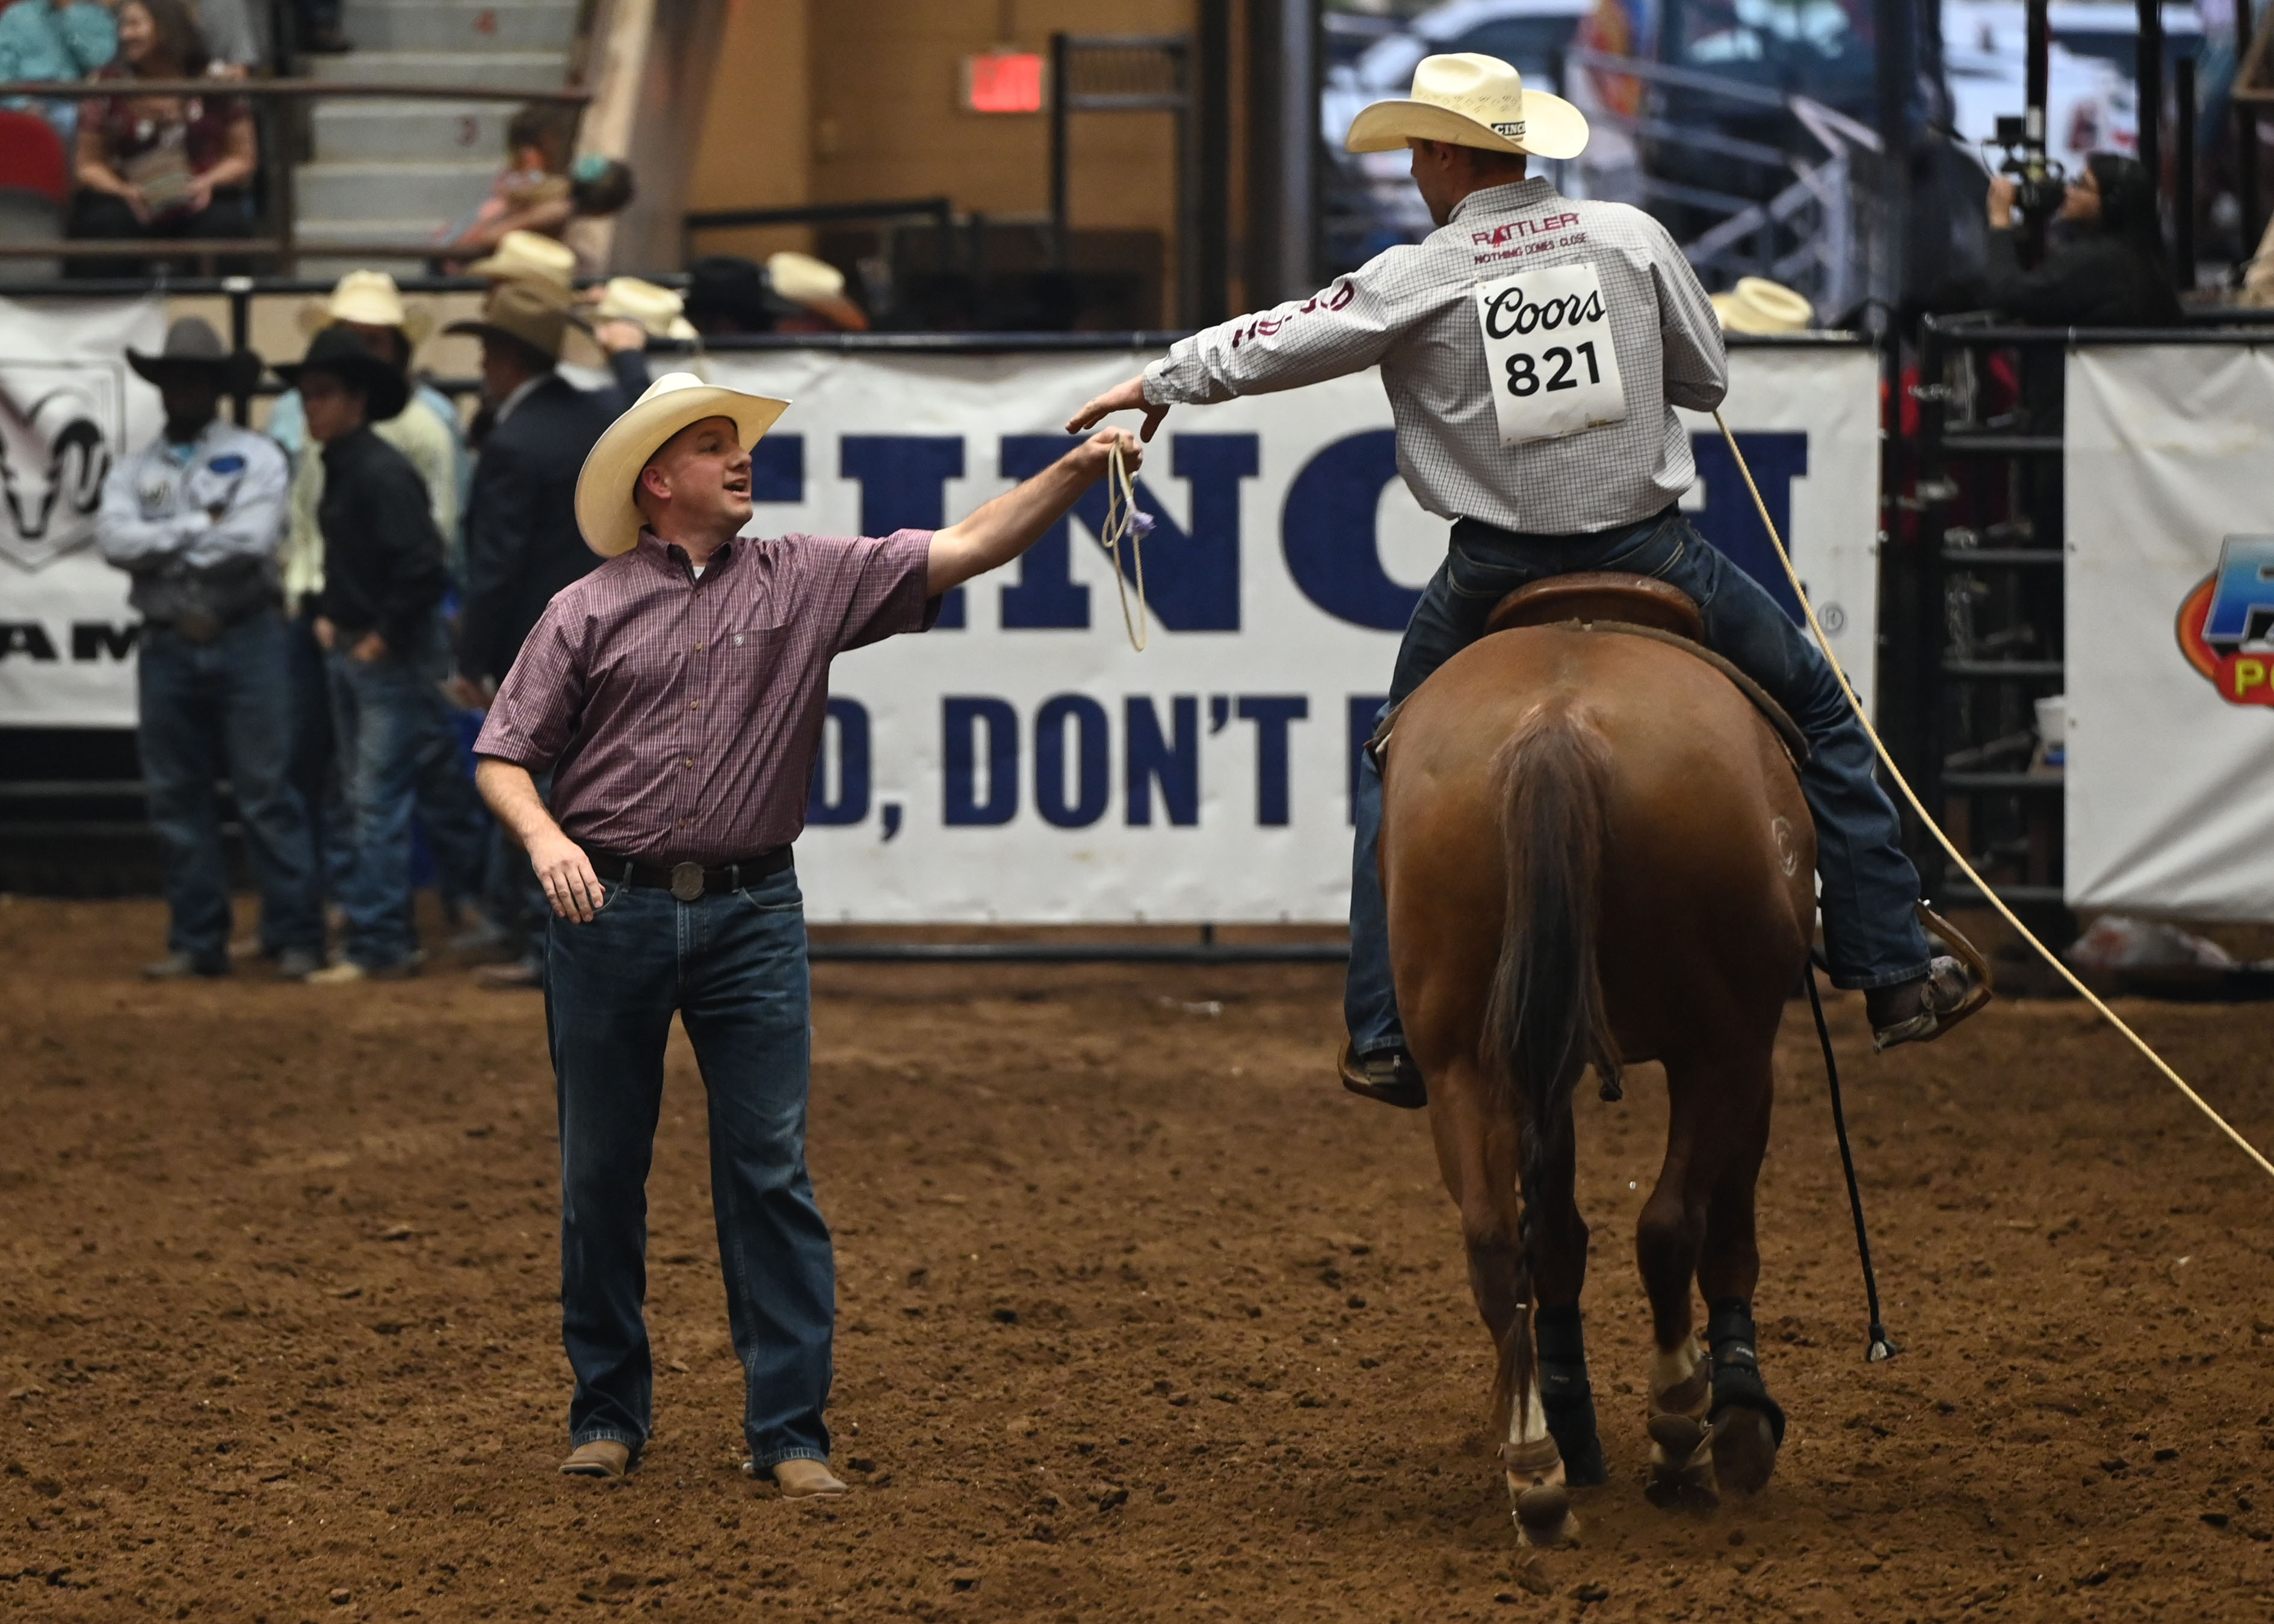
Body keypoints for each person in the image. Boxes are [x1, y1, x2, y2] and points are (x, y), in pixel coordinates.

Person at [1069, 51, 1989, 1111]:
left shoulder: (1415, 274)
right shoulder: (1630, 238)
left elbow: (1273, 341)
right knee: (1820, 712)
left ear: (1449, 154)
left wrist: (1154, 380)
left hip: (1490, 572)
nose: (1415, 168)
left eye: (1419, 148)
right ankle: (1886, 965)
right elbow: (1707, 378)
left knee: (1396, 758)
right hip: (1649, 551)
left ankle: (1382, 1025)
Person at [471, 370, 1142, 1489]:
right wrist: (547, 841)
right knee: (601, 1171)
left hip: (745, 909)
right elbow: (503, 754)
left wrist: (1076, 468)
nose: (740, 459)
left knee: (767, 1168)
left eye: (737, 444)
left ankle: (786, 1428)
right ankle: (609, 1408)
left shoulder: (806, 575)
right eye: (711, 445)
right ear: (658, 480)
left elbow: (968, 544)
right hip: (618, 907)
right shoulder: (582, 607)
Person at [94, 317, 324, 980]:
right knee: (177, 795)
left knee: (266, 791)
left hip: (245, 633)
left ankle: (293, 932)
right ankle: (200, 938)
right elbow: (113, 540)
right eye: (174, 379)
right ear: (162, 387)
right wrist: (201, 525)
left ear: (218, 387)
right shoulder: (133, 468)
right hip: (170, 642)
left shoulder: (256, 455)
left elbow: (250, 542)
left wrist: (159, 538)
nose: (184, 389)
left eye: (196, 378)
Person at [268, 274, 485, 929]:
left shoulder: (404, 441)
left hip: (385, 627)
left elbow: (429, 546)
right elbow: (316, 529)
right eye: (309, 393)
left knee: (387, 782)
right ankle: (380, 909)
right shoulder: (348, 451)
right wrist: (333, 610)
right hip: (352, 617)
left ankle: (392, 921)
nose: (311, 405)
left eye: (323, 393)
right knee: (370, 779)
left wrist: (383, 629)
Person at [64, 0, 256, 276]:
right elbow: (87, 165)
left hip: (199, 194)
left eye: (135, 25)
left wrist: (207, 183)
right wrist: (124, 191)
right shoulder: (107, 84)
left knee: (225, 225)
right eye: (123, 26)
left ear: (167, 28)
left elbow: (242, 157)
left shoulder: (216, 82)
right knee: (104, 224)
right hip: (128, 196)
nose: (125, 35)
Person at [1983, 153, 2183, 327]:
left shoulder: (2097, 261)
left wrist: (2000, 219)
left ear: (2112, 203)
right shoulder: (2143, 257)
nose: (2069, 191)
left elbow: (2005, 295)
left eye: (2081, 185)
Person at [0, 0, 116, 144]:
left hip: (77, 99)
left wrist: (71, 17)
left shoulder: (94, 15)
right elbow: (2, 70)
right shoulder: (17, 15)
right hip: (27, 99)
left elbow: (100, 61)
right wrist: (21, 105)